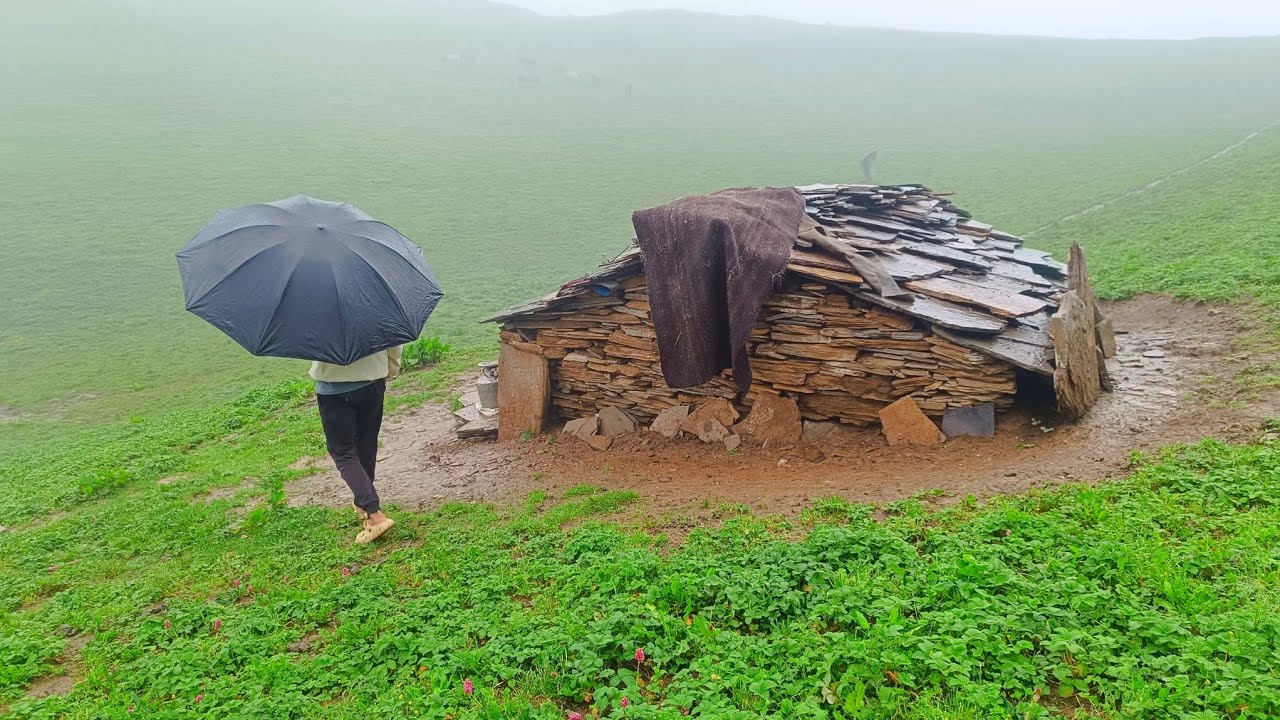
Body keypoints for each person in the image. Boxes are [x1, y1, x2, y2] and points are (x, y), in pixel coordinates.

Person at [311, 345, 402, 544]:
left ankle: (375, 514)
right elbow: (393, 338)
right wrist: (391, 368)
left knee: (342, 451)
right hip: (372, 382)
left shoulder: (313, 313)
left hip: (333, 387)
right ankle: (362, 502)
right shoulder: (377, 311)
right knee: (367, 442)